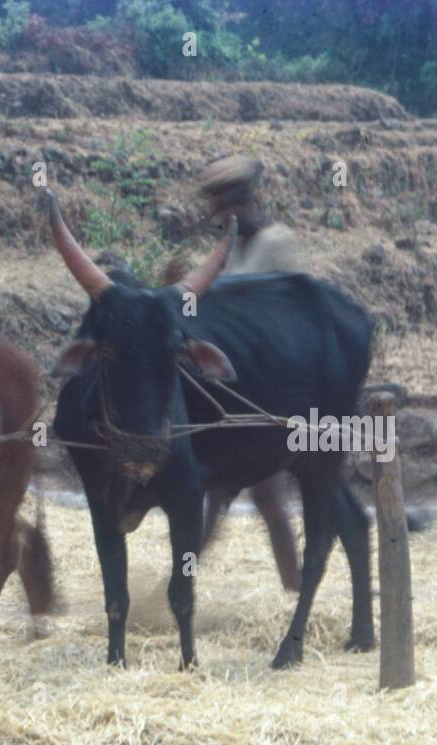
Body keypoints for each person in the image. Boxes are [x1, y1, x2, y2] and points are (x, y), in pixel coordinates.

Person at [195, 155, 302, 592]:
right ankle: (179, 587)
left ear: (250, 199)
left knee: (264, 498)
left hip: (269, 389)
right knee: (220, 495)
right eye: (221, 209)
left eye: (233, 204)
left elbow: (291, 311)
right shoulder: (227, 251)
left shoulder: (277, 243)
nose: (228, 215)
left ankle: (296, 588)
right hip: (233, 391)